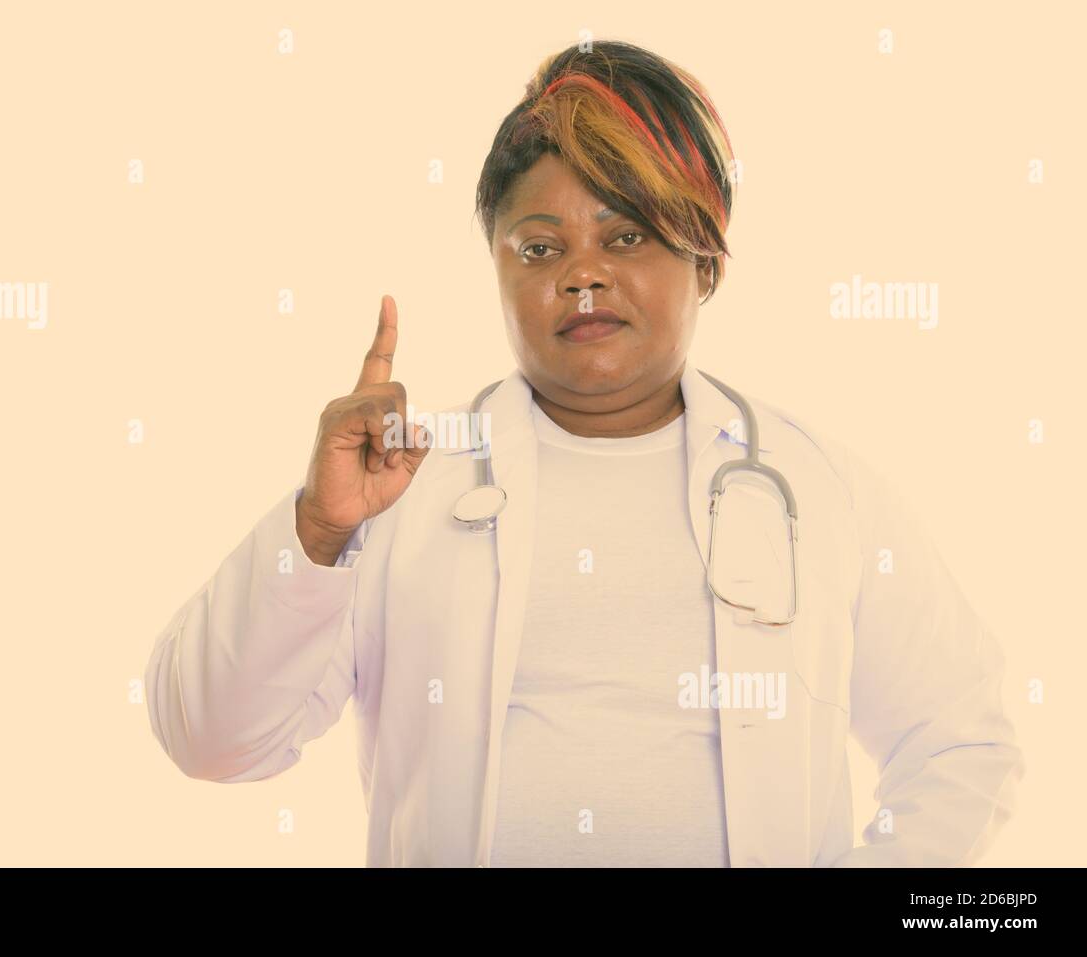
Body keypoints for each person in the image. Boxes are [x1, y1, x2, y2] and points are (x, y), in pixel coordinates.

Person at [143, 40, 1023, 867]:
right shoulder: (400, 487)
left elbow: (963, 742)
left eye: (626, 236)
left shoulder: (817, 488)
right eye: (539, 247)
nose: (581, 274)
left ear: (705, 260)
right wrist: (318, 527)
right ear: (496, 270)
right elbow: (212, 741)